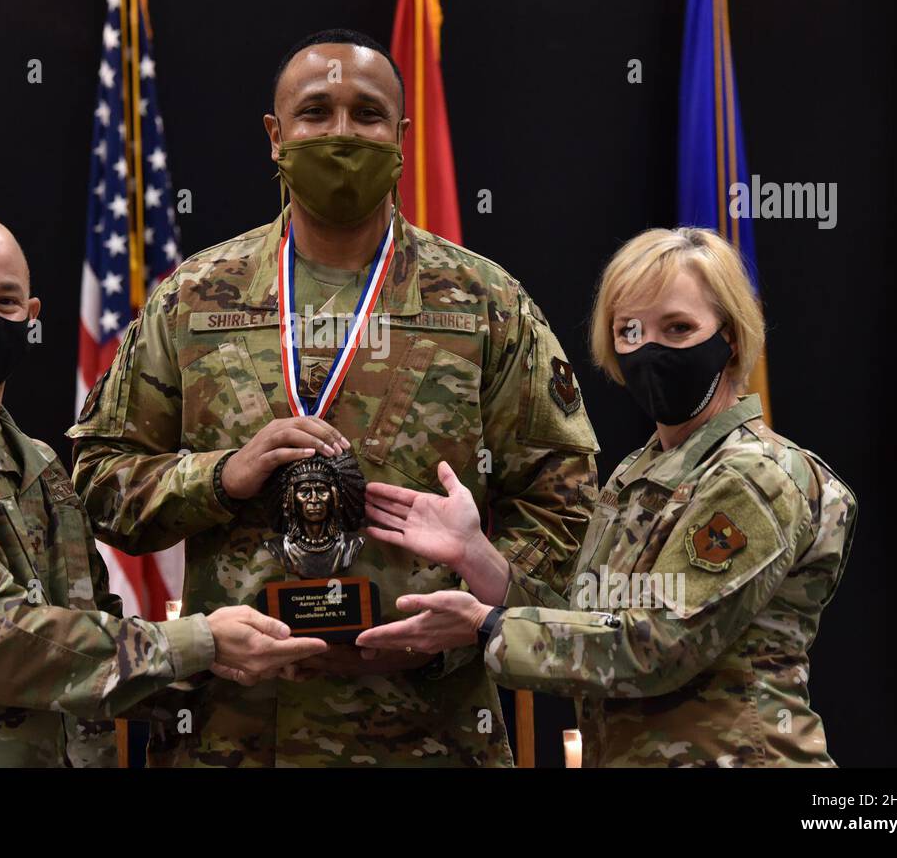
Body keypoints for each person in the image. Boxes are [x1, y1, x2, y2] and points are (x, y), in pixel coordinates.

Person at [68, 28, 599, 767]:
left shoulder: (483, 302)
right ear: (275, 135)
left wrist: (488, 589)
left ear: (402, 136)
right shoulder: (194, 299)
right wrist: (218, 476)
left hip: (429, 725)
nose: (342, 132)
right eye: (316, 111)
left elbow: (567, 498)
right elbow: (96, 477)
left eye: (368, 113)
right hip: (234, 729)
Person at [0, 214, 326, 768]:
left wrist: (251, 656)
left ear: (30, 317)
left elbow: (88, 637)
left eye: (4, 302)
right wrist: (201, 642)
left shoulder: (37, 465)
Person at [356, 227, 858, 767]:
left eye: (679, 328)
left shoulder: (755, 475)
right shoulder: (639, 473)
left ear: (731, 336)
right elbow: (592, 624)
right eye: (630, 331)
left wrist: (485, 626)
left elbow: (656, 647)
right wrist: (474, 555)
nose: (651, 349)